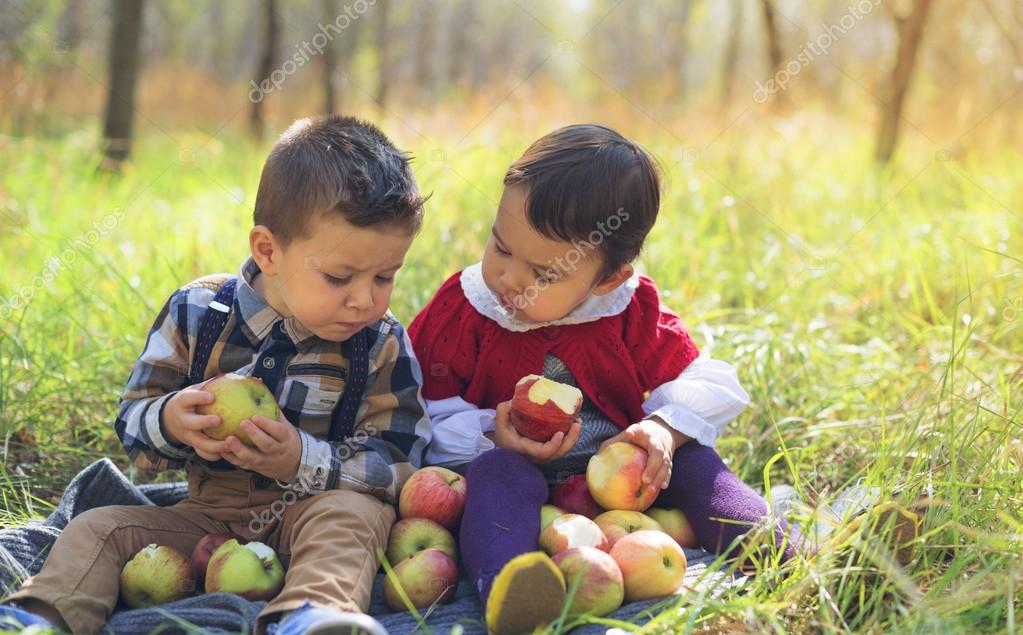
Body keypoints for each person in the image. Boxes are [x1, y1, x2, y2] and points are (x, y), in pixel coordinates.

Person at [0, 115, 432, 635]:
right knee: (98, 527)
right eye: (339, 277)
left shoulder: (380, 342)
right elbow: (135, 426)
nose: (365, 298)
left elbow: (405, 462)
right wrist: (173, 421)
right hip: (206, 518)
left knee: (353, 518)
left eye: (385, 276)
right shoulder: (198, 313)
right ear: (268, 251)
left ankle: (313, 615)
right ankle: (43, 616)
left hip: (313, 514)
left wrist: (303, 458)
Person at [408, 124, 797, 634]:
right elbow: (420, 408)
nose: (509, 279)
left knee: (694, 462)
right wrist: (490, 436)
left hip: (625, 490)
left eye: (544, 275)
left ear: (608, 278)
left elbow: (708, 381)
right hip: (515, 478)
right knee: (500, 479)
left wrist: (663, 428)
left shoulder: (628, 309)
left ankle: (784, 553)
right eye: (501, 247)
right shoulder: (468, 309)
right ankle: (511, 590)